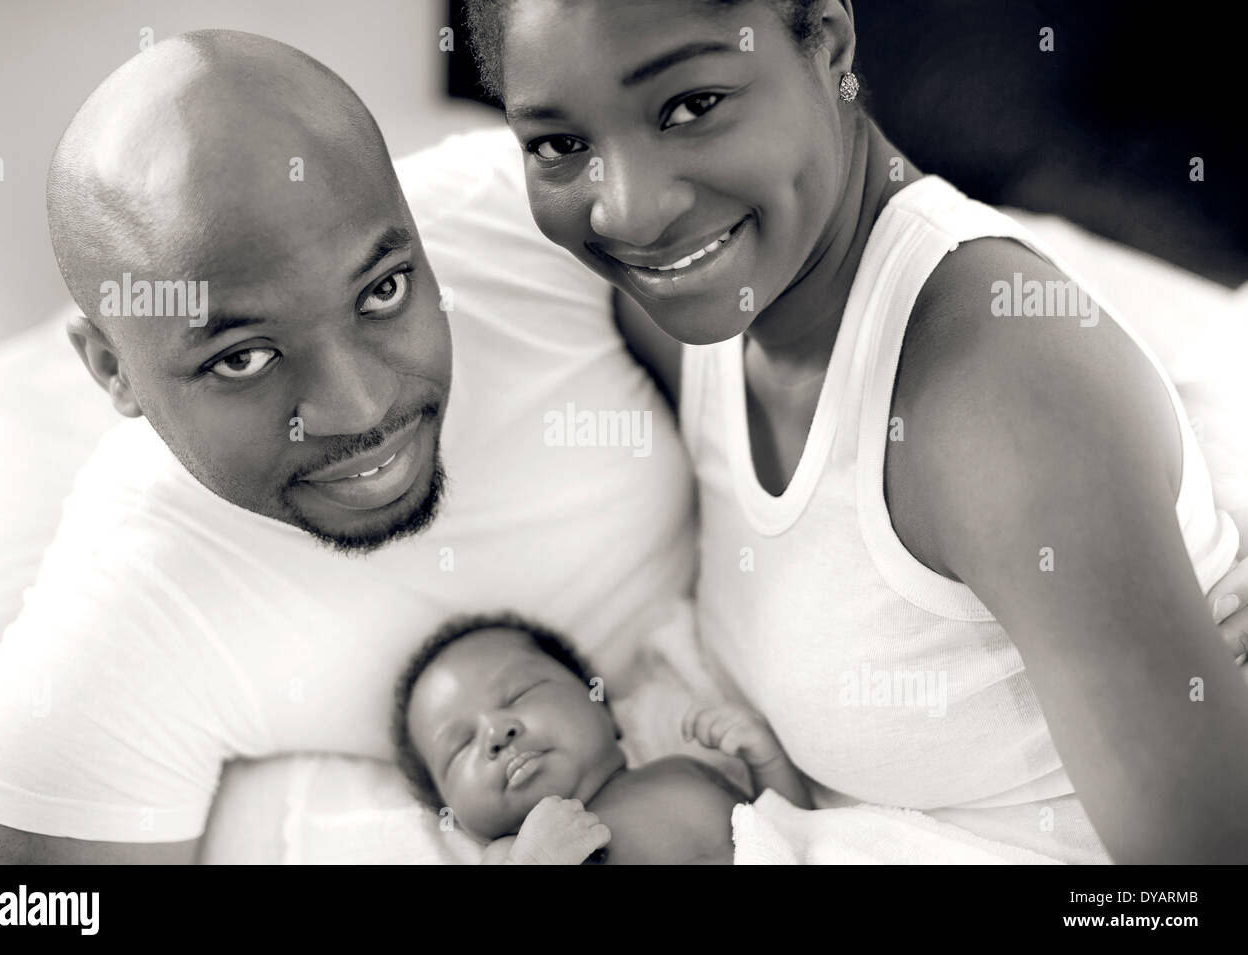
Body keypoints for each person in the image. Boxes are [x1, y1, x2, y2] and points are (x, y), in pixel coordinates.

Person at [468, 0, 1248, 862]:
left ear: (829, 43)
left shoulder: (993, 395)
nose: (629, 211)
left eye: (691, 106)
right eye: (559, 144)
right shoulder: (685, 318)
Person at [0, 30, 693, 863]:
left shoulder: (524, 218)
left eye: (382, 292)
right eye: (244, 358)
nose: (362, 407)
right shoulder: (121, 619)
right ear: (112, 371)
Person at [392, 612, 809, 864]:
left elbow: (795, 836)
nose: (496, 732)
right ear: (455, 816)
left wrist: (766, 760)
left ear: (602, 706)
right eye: (460, 745)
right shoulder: (509, 854)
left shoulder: (684, 773)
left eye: (519, 693)